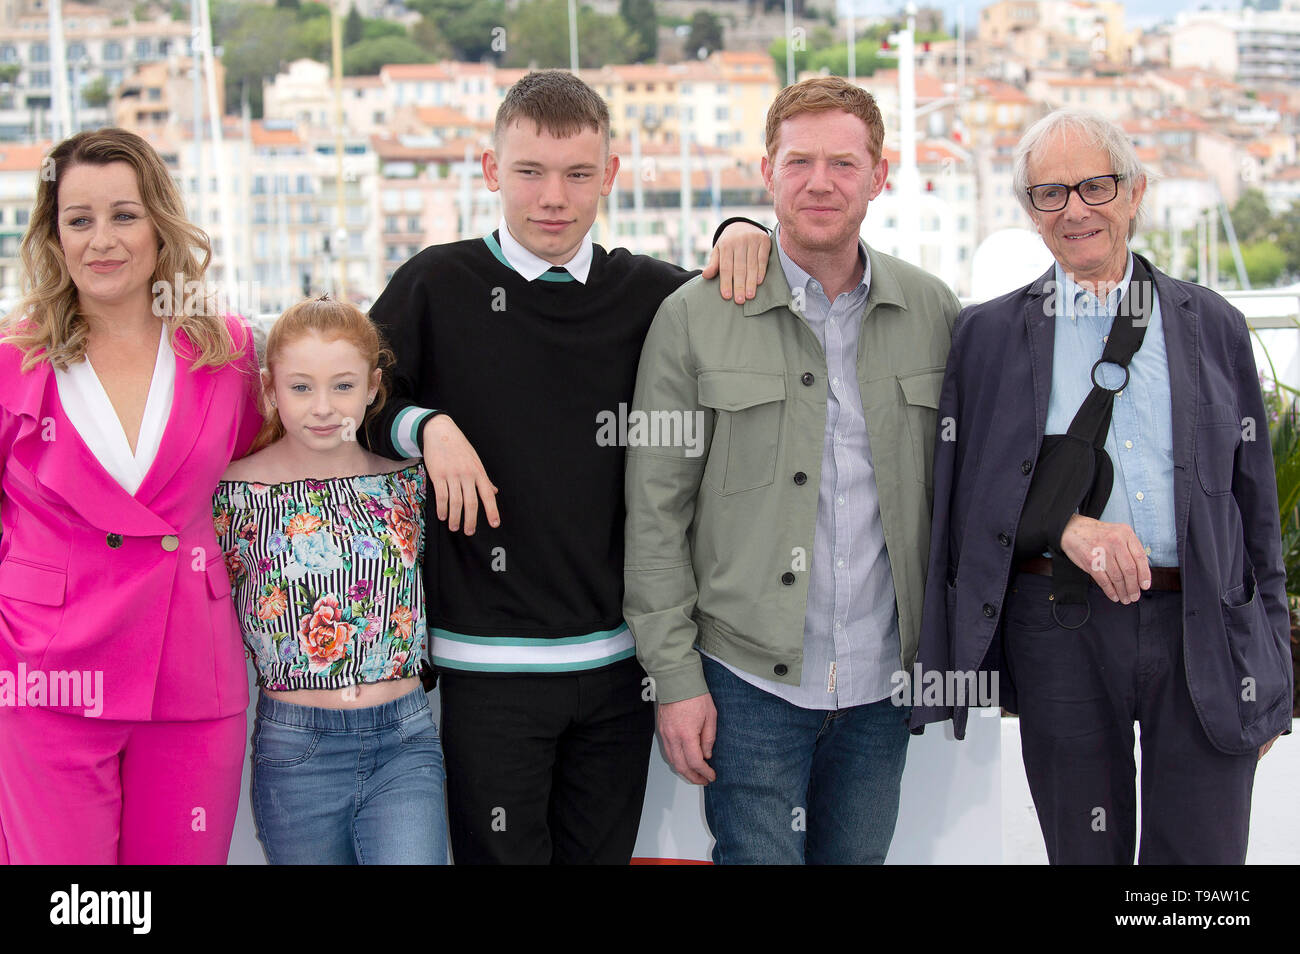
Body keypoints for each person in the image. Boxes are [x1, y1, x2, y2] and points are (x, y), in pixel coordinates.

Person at [365, 69, 771, 864]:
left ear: (610, 175)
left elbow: (746, 299)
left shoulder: (651, 293)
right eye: (530, 172)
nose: (554, 197)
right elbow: (353, 396)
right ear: (492, 170)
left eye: (579, 174)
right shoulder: (435, 283)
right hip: (486, 669)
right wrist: (426, 426)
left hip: (622, 667)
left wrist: (739, 226)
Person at [910, 108, 1292, 864]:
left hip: (1202, 623)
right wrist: (1065, 526)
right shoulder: (987, 336)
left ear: (1135, 192)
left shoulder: (1213, 323)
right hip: (1060, 627)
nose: (1075, 209)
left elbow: (1256, 514)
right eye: (1050, 193)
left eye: (1095, 186)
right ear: (1030, 211)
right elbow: (966, 500)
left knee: (1202, 870)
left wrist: (1270, 664)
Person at [623, 76, 962, 864]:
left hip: (883, 685)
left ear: (880, 175)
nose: (820, 182)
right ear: (766, 172)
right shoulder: (694, 316)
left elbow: (972, 493)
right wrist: (675, 679)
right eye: (799, 162)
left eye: (843, 164)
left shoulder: (935, 312)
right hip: (746, 681)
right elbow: (655, 516)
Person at [0, 127, 262, 864]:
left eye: (124, 215)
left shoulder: (229, 351)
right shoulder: (13, 363)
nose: (102, 240)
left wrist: (421, 427)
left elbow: (267, 473)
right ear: (54, 237)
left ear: (159, 223)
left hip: (190, 675)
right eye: (79, 220)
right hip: (46, 677)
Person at [214, 296, 446, 865]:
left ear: (372, 388)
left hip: (405, 741)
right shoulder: (228, 493)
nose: (322, 407)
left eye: (342, 386)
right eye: (301, 387)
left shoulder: (410, 484)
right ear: (270, 389)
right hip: (297, 749)